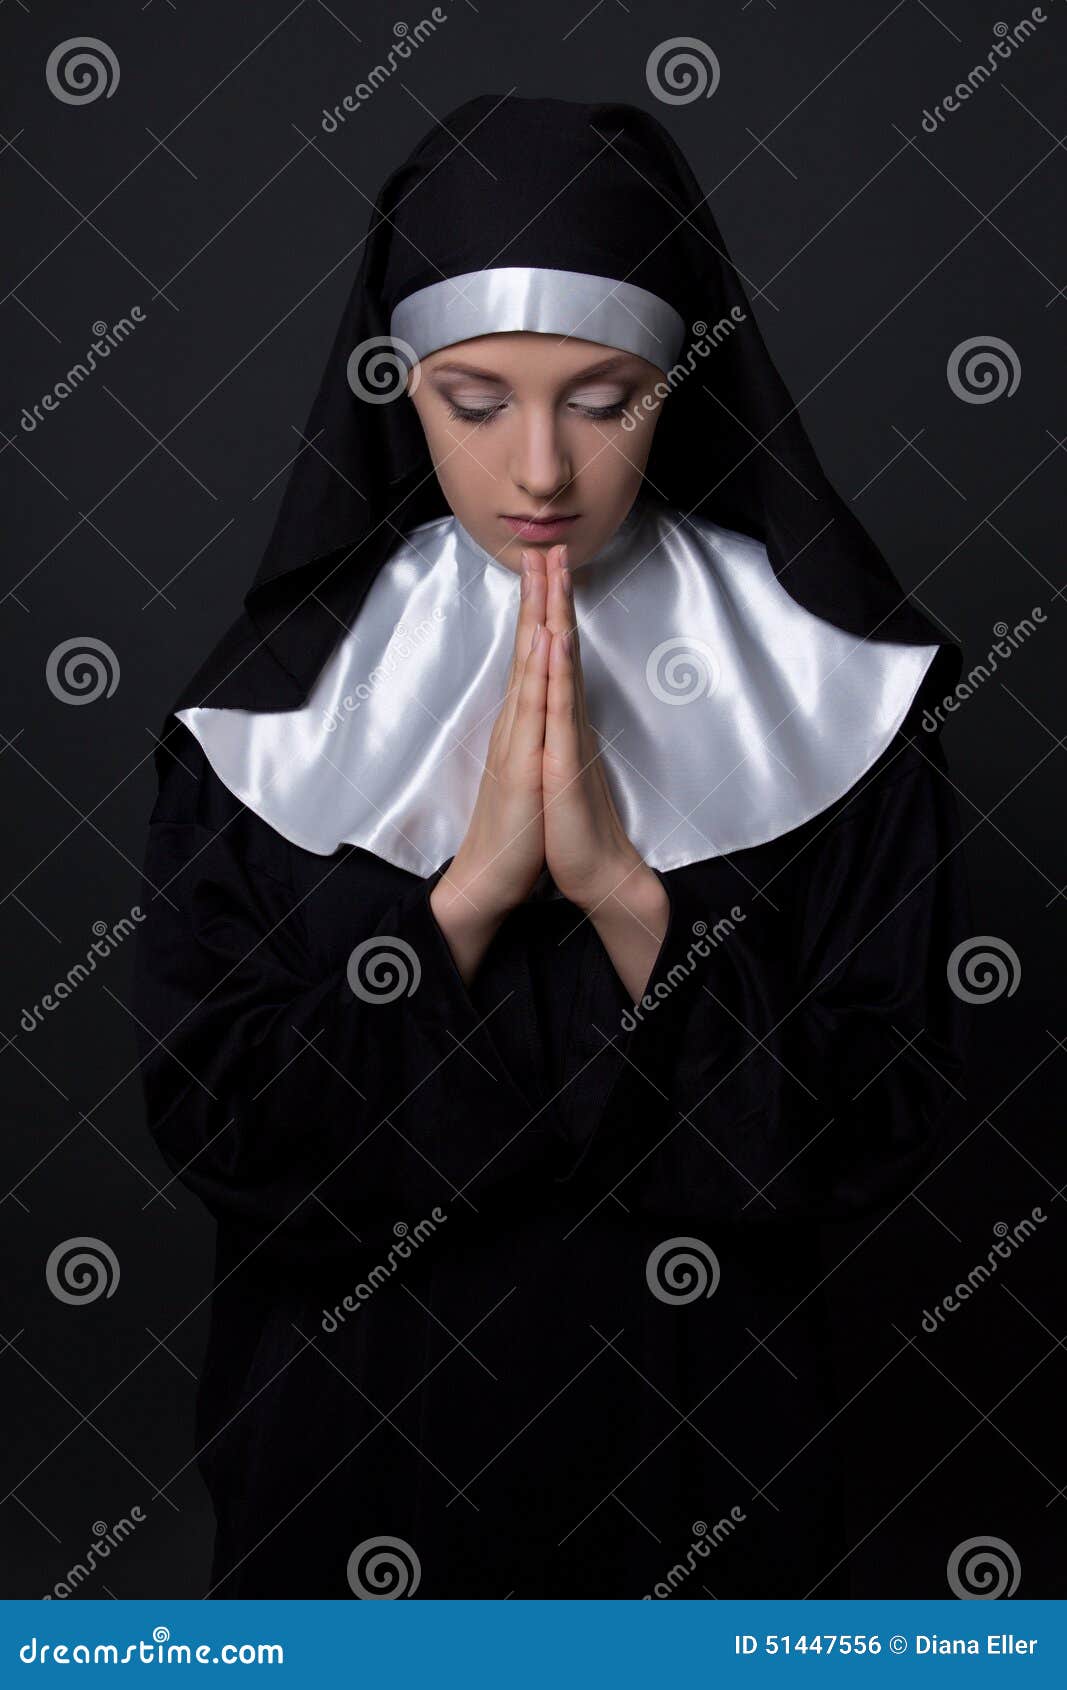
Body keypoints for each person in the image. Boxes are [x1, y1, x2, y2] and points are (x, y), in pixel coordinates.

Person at [132, 94, 972, 1598]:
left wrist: (622, 892)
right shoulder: (269, 715)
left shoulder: (835, 688)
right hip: (347, 1463)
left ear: (680, 380)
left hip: (709, 1472)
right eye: (474, 399)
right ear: (397, 389)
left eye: (601, 398)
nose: (537, 470)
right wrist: (464, 901)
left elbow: (885, 1114)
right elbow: (223, 1128)